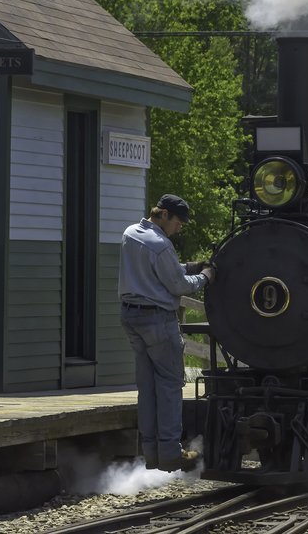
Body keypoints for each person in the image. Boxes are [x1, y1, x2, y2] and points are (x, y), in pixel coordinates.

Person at [118, 194, 215, 473]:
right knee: (170, 386)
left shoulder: (130, 234)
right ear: (163, 215)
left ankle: (151, 453)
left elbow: (158, 272)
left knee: (147, 387)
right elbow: (178, 286)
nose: (179, 227)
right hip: (157, 320)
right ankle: (171, 452)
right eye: (177, 221)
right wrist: (205, 276)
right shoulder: (161, 245)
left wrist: (191, 266)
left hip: (130, 316)